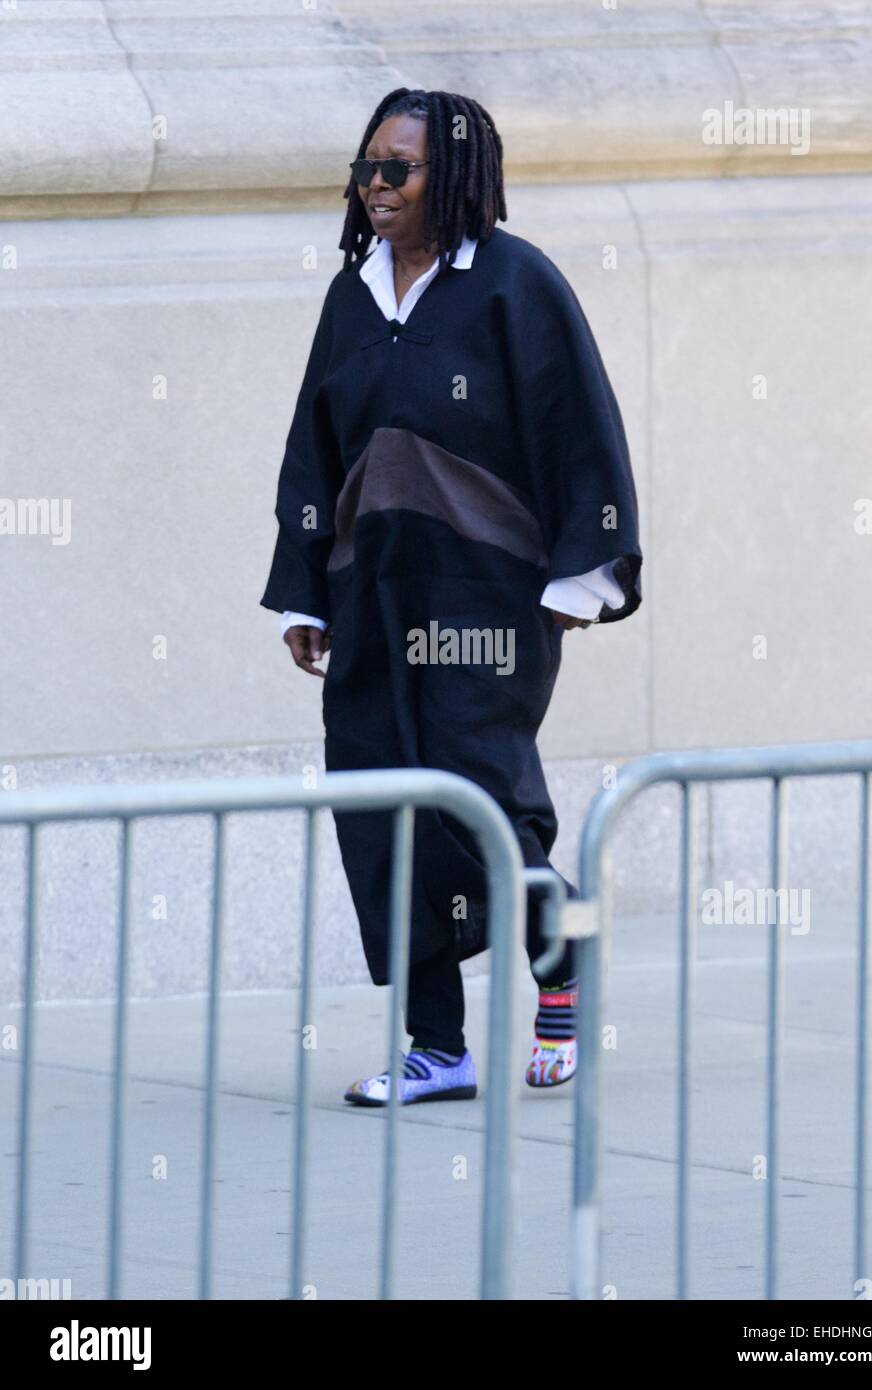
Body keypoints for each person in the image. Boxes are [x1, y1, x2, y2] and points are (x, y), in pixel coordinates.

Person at [260, 88, 642, 1106]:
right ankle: (437, 1045)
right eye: (367, 167)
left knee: (478, 798)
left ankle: (556, 956)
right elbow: (314, 446)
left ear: (457, 176)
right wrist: (303, 591)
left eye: (399, 169)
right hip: (368, 593)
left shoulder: (516, 285)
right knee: (385, 805)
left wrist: (583, 574)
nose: (374, 186)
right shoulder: (355, 294)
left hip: (488, 597)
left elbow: (581, 431)